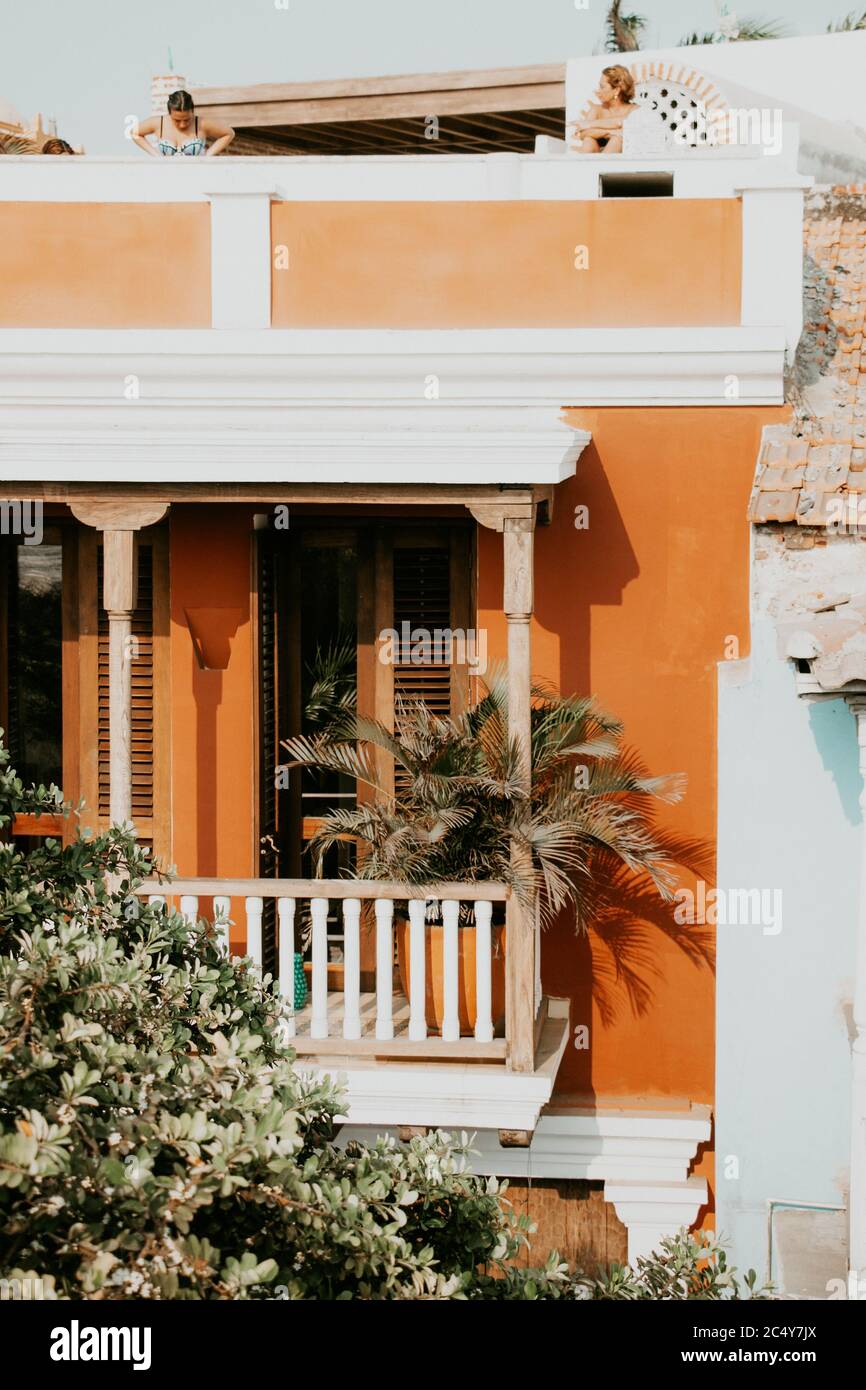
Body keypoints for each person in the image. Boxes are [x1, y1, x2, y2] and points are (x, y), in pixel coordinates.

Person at [131, 89, 234, 158]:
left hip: (196, 179)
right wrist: (156, 155)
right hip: (166, 179)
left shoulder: (201, 123)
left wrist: (207, 156)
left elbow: (229, 133)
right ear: (169, 113)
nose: (182, 125)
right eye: (176, 120)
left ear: (192, 111)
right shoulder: (159, 123)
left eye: (187, 119)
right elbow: (134, 133)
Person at [572, 66, 637, 153]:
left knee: (617, 140)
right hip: (596, 155)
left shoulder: (634, 110)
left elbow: (626, 124)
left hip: (626, 161)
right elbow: (584, 134)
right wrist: (611, 132)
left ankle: (603, 166)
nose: (598, 91)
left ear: (616, 90)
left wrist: (589, 124)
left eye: (602, 87)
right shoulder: (596, 110)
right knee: (588, 141)